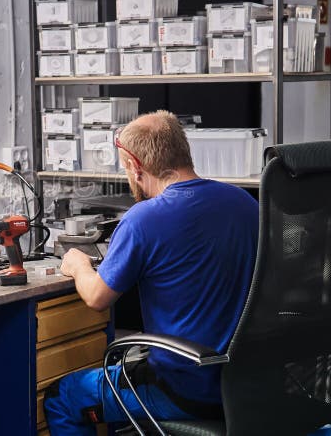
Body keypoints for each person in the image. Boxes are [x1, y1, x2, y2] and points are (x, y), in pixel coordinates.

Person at [44, 110, 259, 435]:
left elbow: (98, 297)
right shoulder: (245, 203)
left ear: (134, 164)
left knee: (62, 397)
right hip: (247, 385)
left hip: (185, 388)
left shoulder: (143, 218)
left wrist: (78, 264)